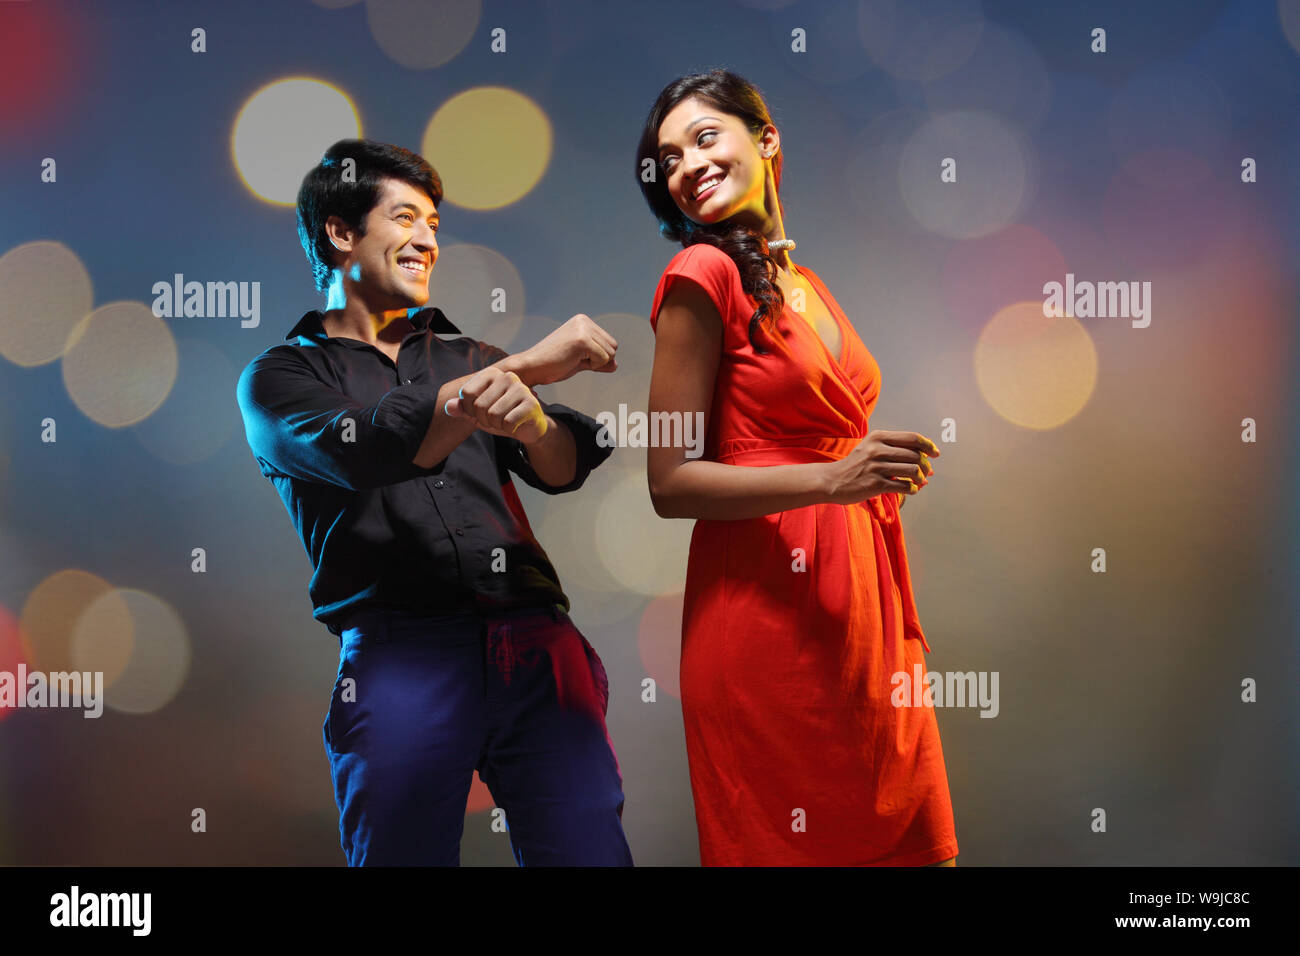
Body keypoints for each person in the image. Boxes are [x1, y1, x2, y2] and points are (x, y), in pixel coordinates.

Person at [235, 138, 632, 866]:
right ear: (341, 232)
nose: (428, 241)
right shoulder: (276, 380)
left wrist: (537, 419)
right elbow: (372, 449)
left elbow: (566, 461)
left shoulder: (466, 353)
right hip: (400, 662)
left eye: (436, 227)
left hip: (541, 645)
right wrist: (529, 366)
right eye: (407, 218)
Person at [635, 70, 959, 866]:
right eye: (669, 158)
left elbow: (821, 441)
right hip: (763, 619)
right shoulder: (697, 277)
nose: (687, 166)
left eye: (705, 138)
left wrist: (874, 479)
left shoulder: (805, 285)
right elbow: (669, 483)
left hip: (862, 613)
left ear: (766, 139)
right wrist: (833, 481)